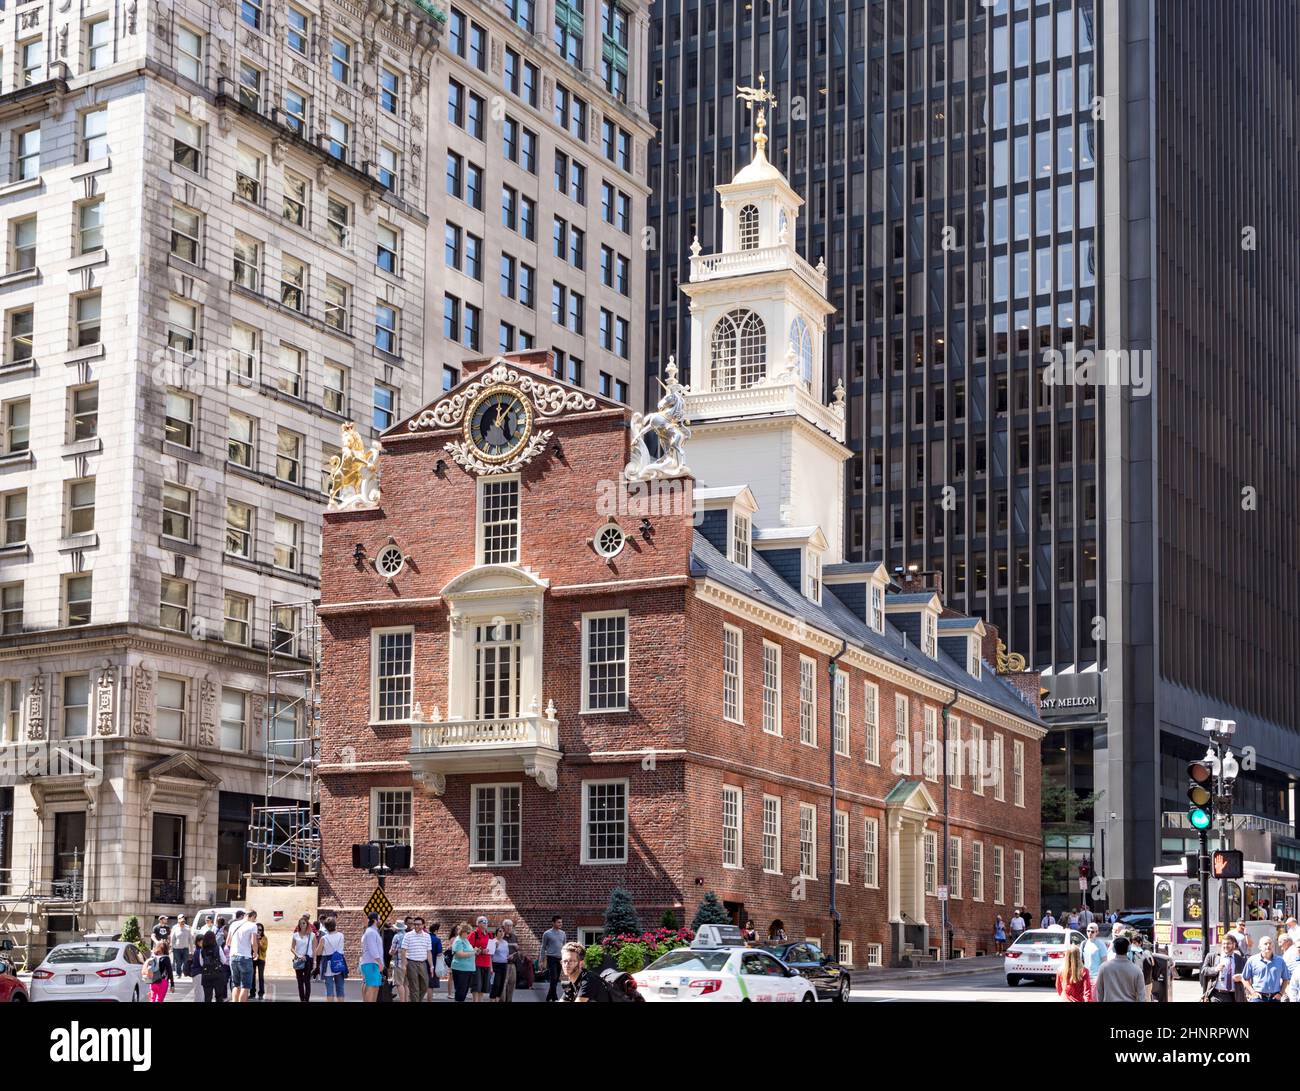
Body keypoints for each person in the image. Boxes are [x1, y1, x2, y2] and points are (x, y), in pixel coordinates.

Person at [1094, 935, 1146, 1001]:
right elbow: (1142, 995)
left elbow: (1099, 991)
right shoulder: (1137, 970)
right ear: (1129, 949)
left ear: (1113, 949)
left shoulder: (1104, 968)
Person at [1238, 934, 1289, 1002]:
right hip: (1258, 998)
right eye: (1265, 944)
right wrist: (1252, 992)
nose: (1268, 945)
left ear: (1273, 946)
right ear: (1260, 947)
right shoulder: (1252, 960)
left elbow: (1286, 979)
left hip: (1275, 998)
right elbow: (1244, 978)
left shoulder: (1280, 961)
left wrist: (1281, 993)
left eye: (1270, 943)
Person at [1200, 935, 1246, 1002]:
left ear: (1234, 945)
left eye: (1228, 944)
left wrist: (1241, 977)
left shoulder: (1240, 959)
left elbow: (1246, 975)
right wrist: (1215, 969)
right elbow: (1203, 970)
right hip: (1216, 994)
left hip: (1234, 995)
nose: (1225, 946)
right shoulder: (1212, 956)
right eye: (1224, 943)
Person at [226, 909, 258, 1003]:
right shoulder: (252, 925)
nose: (255, 921)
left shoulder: (233, 924)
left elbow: (228, 941)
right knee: (245, 986)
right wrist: (255, 953)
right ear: (252, 916)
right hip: (245, 957)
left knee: (236, 985)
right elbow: (253, 942)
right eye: (254, 919)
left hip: (233, 957)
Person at [401, 917, 432, 1002]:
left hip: (423, 963)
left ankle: (415, 1000)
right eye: (415, 924)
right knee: (414, 987)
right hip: (411, 963)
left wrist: (431, 966)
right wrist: (404, 964)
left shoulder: (427, 936)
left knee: (425, 985)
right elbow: (403, 950)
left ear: (423, 925)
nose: (416, 926)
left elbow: (429, 952)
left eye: (418, 924)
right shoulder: (408, 935)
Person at [315, 916, 347, 1002]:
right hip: (339, 963)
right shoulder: (341, 935)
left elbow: (318, 952)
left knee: (329, 988)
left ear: (325, 926)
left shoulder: (324, 938)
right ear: (335, 925)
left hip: (328, 964)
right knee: (340, 988)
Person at [198, 930, 228, 1003]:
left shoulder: (202, 950)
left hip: (206, 975)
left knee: (207, 997)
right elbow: (224, 961)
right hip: (218, 975)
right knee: (219, 996)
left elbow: (201, 963)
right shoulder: (218, 948)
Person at [360, 911, 385, 1002]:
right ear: (375, 920)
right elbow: (373, 949)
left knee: (375, 988)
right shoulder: (370, 932)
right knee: (371, 988)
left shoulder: (373, 931)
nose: (380, 920)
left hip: (373, 964)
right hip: (371, 963)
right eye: (379, 918)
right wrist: (380, 963)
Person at [541, 915, 566, 1002]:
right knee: (553, 978)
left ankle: (548, 997)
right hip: (551, 958)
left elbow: (564, 947)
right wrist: (542, 959)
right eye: (558, 922)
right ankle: (554, 998)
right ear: (553, 923)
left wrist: (564, 958)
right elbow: (543, 947)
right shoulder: (547, 934)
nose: (560, 924)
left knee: (556, 979)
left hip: (560, 959)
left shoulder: (563, 933)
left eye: (561, 922)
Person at [450, 922, 477, 1002]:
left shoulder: (465, 940)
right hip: (461, 969)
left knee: (464, 992)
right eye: (468, 932)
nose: (469, 934)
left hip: (467, 969)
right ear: (462, 931)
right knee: (460, 992)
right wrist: (473, 952)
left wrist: (475, 951)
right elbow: (459, 954)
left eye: (470, 932)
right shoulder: (458, 940)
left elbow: (469, 951)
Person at [290, 917, 314, 1003]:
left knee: (307, 981)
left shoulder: (312, 935)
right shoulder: (295, 935)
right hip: (298, 960)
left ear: (307, 924)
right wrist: (299, 955)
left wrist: (314, 962)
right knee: (300, 981)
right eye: (300, 923)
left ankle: (306, 999)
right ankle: (302, 999)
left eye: (304, 923)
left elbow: (314, 949)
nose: (302, 925)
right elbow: (292, 948)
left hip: (308, 959)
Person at [469, 915, 493, 1002]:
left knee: (483, 986)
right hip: (476, 963)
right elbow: (469, 948)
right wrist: (480, 951)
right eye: (483, 922)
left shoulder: (489, 935)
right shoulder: (473, 934)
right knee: (476, 986)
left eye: (486, 922)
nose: (486, 923)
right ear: (478, 924)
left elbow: (491, 951)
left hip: (487, 963)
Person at [388, 921, 408, 1002]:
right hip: (408, 963)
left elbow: (393, 950)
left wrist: (390, 952)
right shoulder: (408, 935)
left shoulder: (396, 936)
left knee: (399, 984)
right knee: (406, 984)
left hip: (399, 963)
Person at [489, 926, 510, 1001]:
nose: (502, 933)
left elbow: (506, 954)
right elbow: (490, 956)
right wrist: (491, 967)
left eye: (503, 931)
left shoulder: (505, 943)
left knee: (501, 984)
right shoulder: (493, 941)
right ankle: (492, 999)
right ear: (496, 933)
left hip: (504, 964)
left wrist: (509, 957)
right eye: (500, 931)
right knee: (496, 984)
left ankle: (497, 1000)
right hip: (495, 965)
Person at [500, 919, 519, 1002]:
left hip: (513, 964)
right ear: (503, 927)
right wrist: (506, 956)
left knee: (512, 983)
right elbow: (498, 946)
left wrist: (516, 951)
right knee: (503, 984)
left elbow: (517, 949)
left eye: (511, 926)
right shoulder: (500, 936)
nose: (509, 927)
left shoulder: (514, 937)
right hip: (503, 964)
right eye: (507, 925)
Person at [170, 915, 192, 981]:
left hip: (185, 948)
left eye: (183, 922)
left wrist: (192, 949)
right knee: (178, 962)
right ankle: (178, 974)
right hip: (177, 948)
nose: (182, 923)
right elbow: (172, 939)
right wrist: (171, 948)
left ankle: (183, 971)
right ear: (178, 922)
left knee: (185, 961)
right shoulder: (175, 928)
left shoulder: (188, 929)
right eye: (181, 922)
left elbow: (190, 939)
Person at [252, 922, 268, 1000]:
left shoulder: (264, 938)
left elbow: (264, 949)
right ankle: (252, 993)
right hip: (253, 958)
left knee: (261, 976)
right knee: (252, 976)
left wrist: (258, 941)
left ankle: (261, 993)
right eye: (257, 930)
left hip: (261, 959)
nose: (259, 931)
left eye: (260, 930)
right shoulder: (252, 937)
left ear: (262, 931)